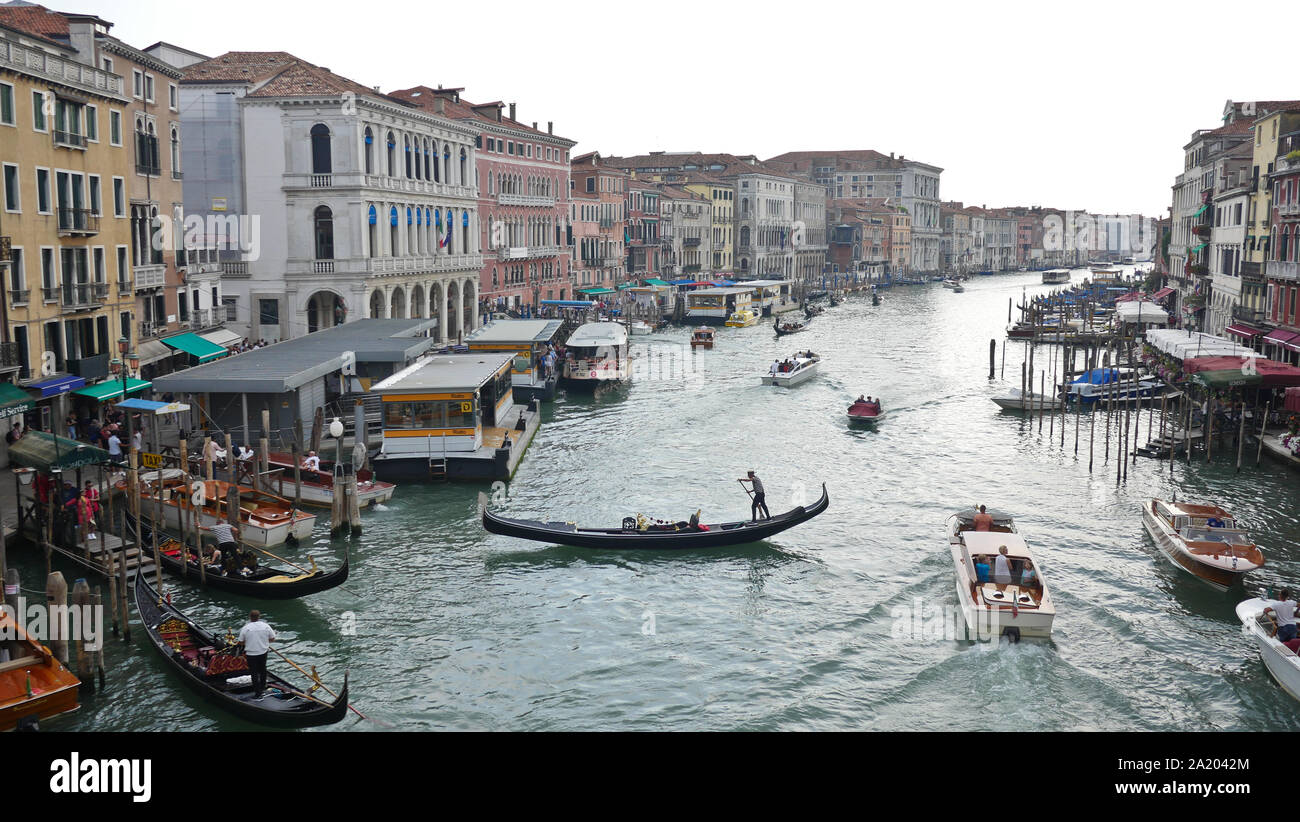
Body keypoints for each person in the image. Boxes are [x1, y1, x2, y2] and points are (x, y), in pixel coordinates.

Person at [236, 610, 278, 700]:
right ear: (259, 617)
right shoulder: (266, 626)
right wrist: (264, 641)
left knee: (254, 673)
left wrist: (249, 642)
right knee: (263, 669)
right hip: (263, 652)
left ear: (250, 617)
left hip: (251, 654)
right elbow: (273, 639)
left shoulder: (246, 628)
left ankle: (258, 693)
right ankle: (263, 687)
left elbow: (240, 642)